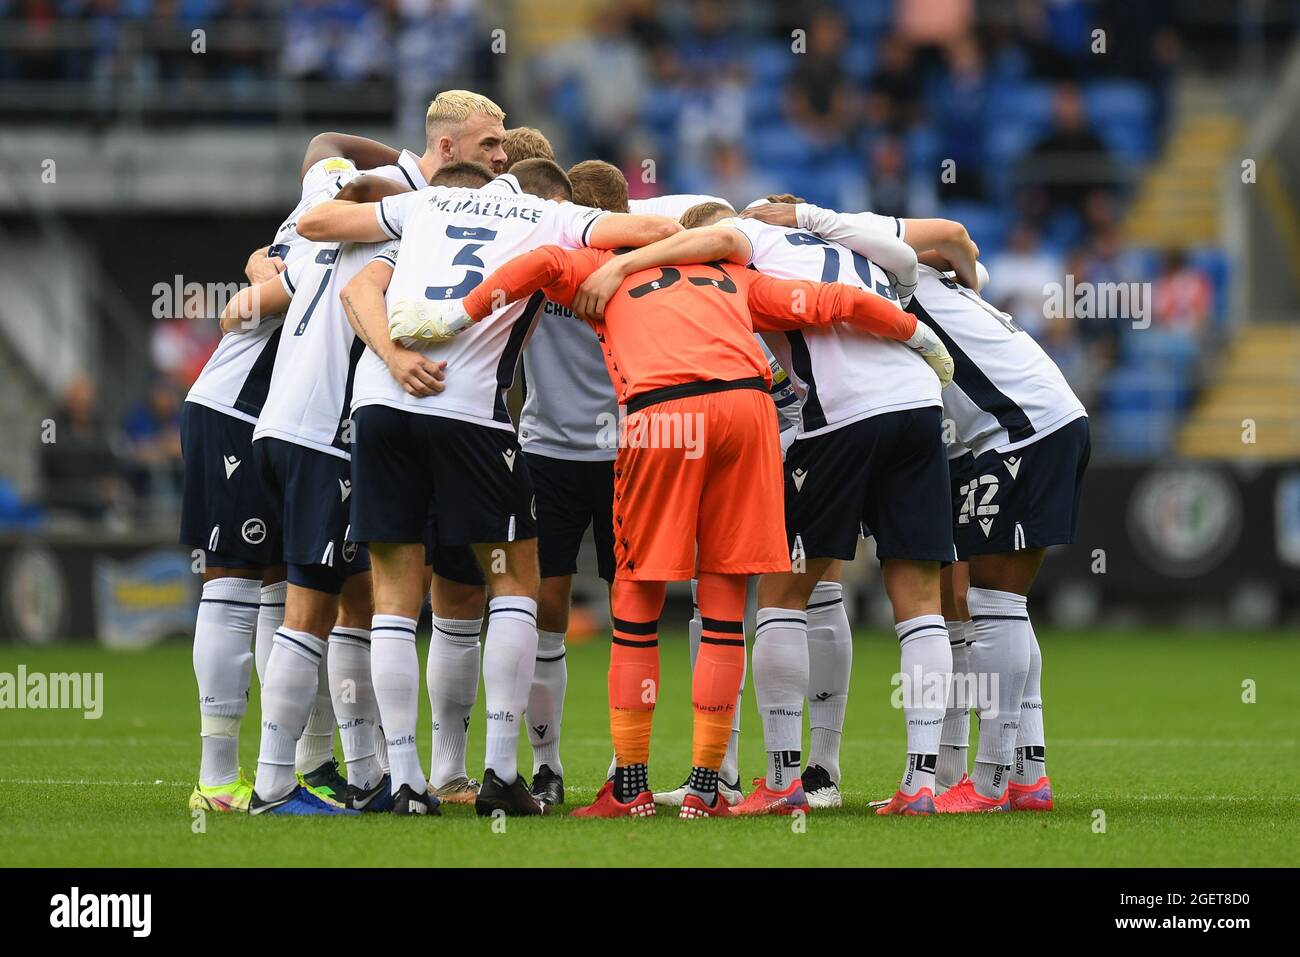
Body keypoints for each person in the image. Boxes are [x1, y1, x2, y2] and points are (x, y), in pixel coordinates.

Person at [404, 205, 947, 818]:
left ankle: (630, 787)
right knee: (722, 596)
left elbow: (539, 263)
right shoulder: (736, 277)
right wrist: (917, 337)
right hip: (748, 413)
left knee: (636, 597)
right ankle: (706, 788)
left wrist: (453, 314)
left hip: (665, 413)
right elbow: (839, 301)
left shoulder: (598, 263)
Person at [297, 157, 681, 817]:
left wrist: (366, 181)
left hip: (381, 405)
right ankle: (503, 772)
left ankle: (410, 783)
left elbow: (318, 224)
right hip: (467, 411)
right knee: (514, 578)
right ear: (552, 195)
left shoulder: (427, 204)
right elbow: (649, 231)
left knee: (394, 595)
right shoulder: (549, 215)